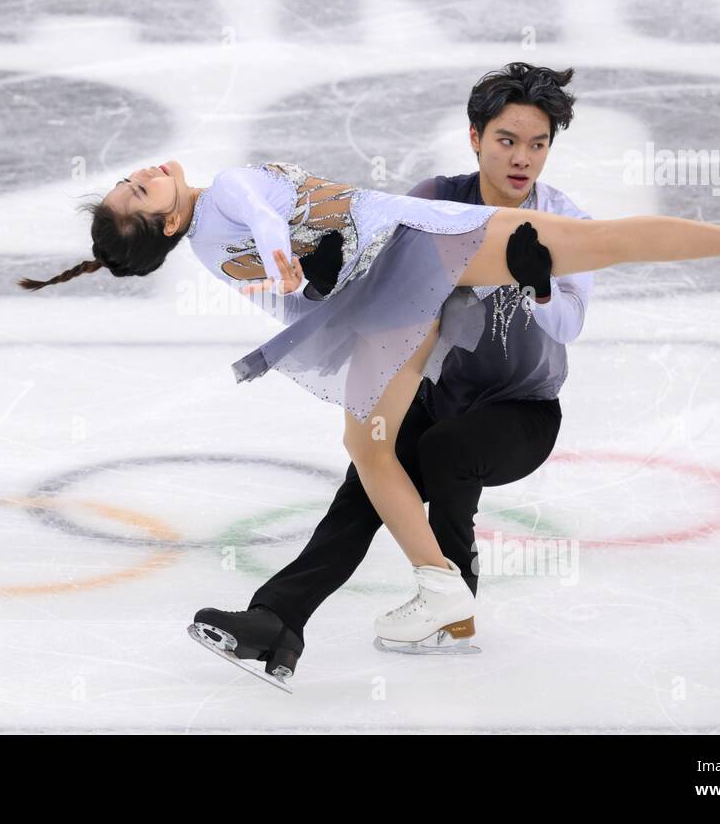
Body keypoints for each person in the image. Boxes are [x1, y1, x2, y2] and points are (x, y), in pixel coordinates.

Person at [17, 68, 720, 686]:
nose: (145, 170)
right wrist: (305, 274)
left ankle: (432, 587)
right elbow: (277, 252)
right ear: (165, 220)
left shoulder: (212, 231)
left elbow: (283, 255)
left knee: (375, 442)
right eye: (138, 188)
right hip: (418, 252)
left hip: (427, 314)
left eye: (132, 177)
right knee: (375, 443)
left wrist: (313, 279)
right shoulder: (221, 219)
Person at [187, 63, 592, 682]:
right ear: (475, 137)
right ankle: (275, 622)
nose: (523, 160)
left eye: (538, 145)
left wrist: (538, 287)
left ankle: (454, 609)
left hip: (522, 411)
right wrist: (327, 273)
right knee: (367, 482)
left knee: (444, 450)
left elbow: (569, 325)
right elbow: (377, 269)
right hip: (441, 394)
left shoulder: (562, 218)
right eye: (508, 140)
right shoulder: (434, 198)